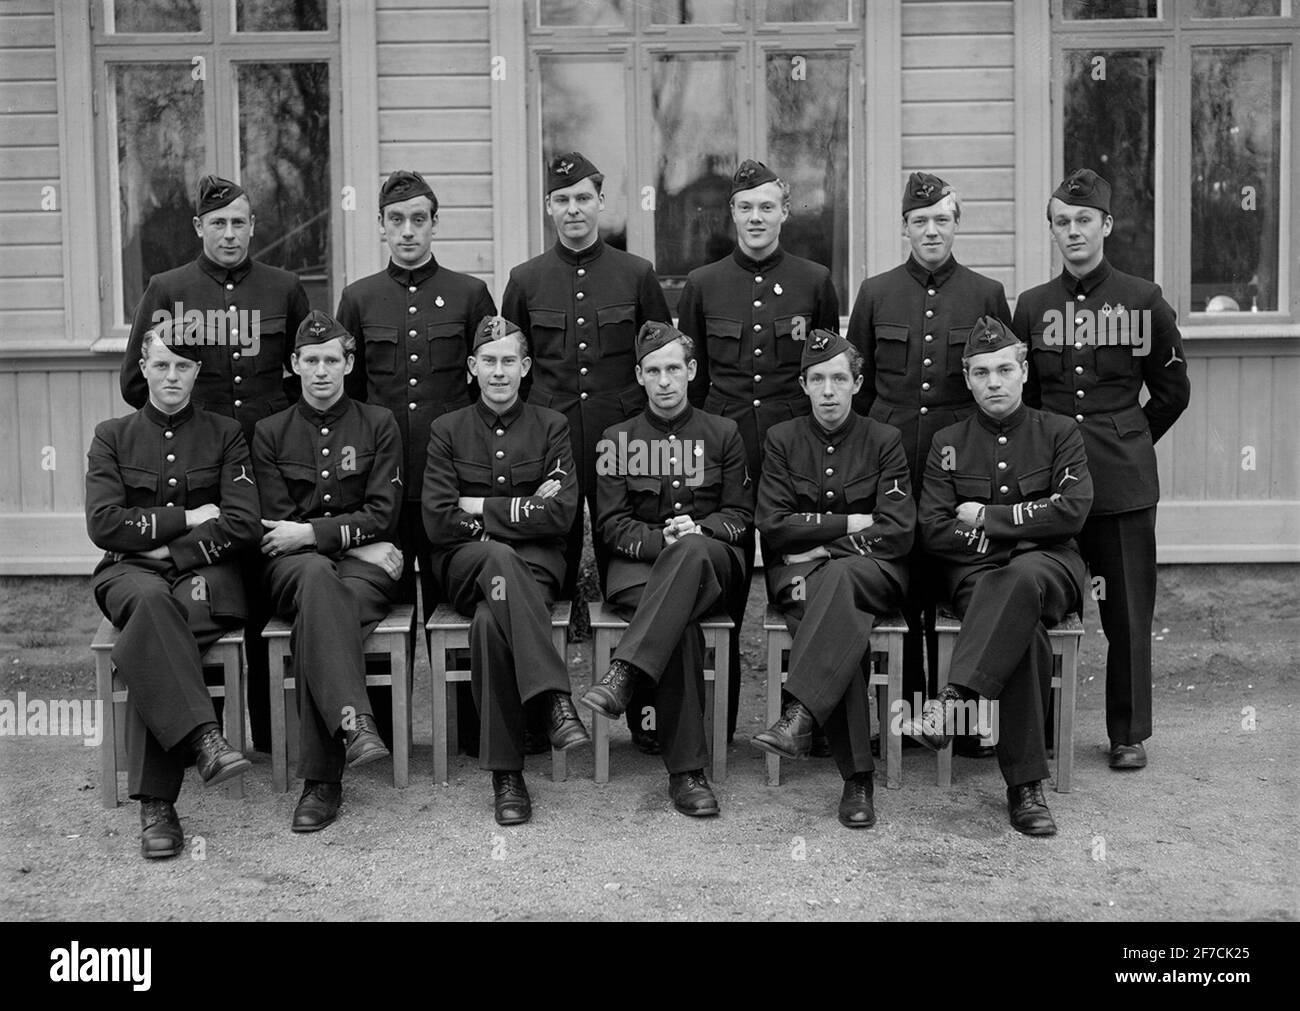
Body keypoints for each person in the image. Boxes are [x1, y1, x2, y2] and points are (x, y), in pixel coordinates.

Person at [120, 173, 311, 754]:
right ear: (199, 227)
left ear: (254, 227)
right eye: (218, 224)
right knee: (211, 591)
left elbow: (303, 374)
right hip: (202, 469)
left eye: (240, 223)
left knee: (263, 589)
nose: (230, 234)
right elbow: (137, 381)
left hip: (271, 463)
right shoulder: (168, 289)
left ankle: (276, 737)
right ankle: (209, 733)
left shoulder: (283, 288)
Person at [1013, 168, 1190, 771]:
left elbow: (1172, 390)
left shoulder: (1142, 299)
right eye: (1062, 222)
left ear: (1106, 224)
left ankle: (1127, 732)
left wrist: (1130, 437)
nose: (1073, 232)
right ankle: (1036, 726)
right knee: (1040, 602)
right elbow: (1026, 395)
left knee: (1126, 612)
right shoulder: (1033, 306)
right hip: (1050, 484)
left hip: (1121, 481)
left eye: (1084, 220)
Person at [500, 151, 671, 755]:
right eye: (561, 200)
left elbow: (660, 356)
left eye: (583, 198)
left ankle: (648, 717)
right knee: (543, 566)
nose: (573, 210)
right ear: (548, 207)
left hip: (624, 437)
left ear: (601, 203)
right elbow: (512, 363)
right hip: (548, 439)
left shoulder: (636, 274)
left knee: (638, 567)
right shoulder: (524, 280)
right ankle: (539, 714)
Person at [909, 316, 1094, 836]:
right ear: (967, 379)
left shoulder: (1059, 432)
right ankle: (1026, 789)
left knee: (1019, 581)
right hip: (977, 575)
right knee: (1021, 625)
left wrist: (990, 519)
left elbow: (1073, 511)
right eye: (982, 372)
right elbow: (932, 527)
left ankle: (954, 700)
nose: (994, 382)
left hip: (1050, 569)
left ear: (1024, 372)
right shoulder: (948, 441)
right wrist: (1028, 526)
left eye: (1004, 370)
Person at [679, 158, 840, 742]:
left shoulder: (815, 281)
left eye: (766, 206)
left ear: (784, 212)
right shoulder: (703, 284)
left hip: (792, 449)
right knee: (717, 586)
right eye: (745, 207)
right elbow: (693, 382)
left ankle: (812, 719)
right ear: (732, 215)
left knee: (802, 579)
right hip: (722, 451)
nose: (756, 217)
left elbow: (825, 367)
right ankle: (711, 726)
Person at [846, 172, 1012, 736]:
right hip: (892, 459)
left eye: (942, 219)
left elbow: (996, 386)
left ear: (957, 224)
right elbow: (860, 390)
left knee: (955, 578)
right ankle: (903, 714)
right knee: (900, 582)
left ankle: (963, 719)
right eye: (920, 221)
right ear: (905, 228)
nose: (932, 230)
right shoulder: (875, 292)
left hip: (957, 460)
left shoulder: (985, 293)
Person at [87, 324, 260, 859]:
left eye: (182, 366)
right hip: (126, 576)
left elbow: (243, 523)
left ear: (197, 372)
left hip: (203, 575)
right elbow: (103, 524)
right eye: (161, 365)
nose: (171, 376)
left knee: (152, 630)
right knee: (152, 607)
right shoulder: (111, 436)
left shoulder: (226, 433)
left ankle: (156, 805)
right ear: (143, 367)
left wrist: (167, 552)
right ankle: (206, 740)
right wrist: (187, 515)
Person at [336, 169, 496, 748]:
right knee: (386, 602)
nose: (408, 231)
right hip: (383, 486)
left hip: (453, 483)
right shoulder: (359, 298)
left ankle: (471, 732)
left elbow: (488, 389)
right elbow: (348, 397)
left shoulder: (469, 294)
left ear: (435, 223)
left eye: (419, 220)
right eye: (396, 220)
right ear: (381, 225)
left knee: (462, 603)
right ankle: (385, 730)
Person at [422, 316, 590, 825]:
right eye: (489, 362)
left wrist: (478, 506)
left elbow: (561, 513)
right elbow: (438, 517)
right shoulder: (446, 430)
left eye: (508, 362)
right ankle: (554, 698)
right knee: (498, 558)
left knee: (490, 624)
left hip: (535, 567)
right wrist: (520, 511)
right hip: (466, 563)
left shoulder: (551, 426)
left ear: (525, 367)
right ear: (473, 368)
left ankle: (506, 775)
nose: (499, 372)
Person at [582, 322, 753, 817]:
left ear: (691, 371)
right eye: (653, 371)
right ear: (639, 376)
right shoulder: (617, 440)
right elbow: (611, 525)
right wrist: (663, 541)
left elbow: (741, 516)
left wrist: (696, 532)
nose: (664, 381)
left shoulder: (724, 433)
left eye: (673, 369)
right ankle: (688, 774)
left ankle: (625, 672)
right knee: (679, 620)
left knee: (694, 550)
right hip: (639, 571)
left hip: (713, 564)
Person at [751, 330, 914, 829]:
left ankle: (799, 712)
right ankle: (857, 779)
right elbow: (773, 525)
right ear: (803, 384)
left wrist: (820, 543)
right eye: (817, 379)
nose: (828, 391)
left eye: (838, 379)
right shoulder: (781, 439)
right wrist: (848, 524)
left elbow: (898, 531)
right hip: (800, 579)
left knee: (838, 581)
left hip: (875, 573)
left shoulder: (884, 440)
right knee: (838, 612)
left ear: (857, 383)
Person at [251, 311, 406, 833]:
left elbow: (385, 512)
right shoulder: (270, 433)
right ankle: (354, 724)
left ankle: (322, 784)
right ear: (295, 364)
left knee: (320, 614)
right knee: (318, 581)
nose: (322, 370)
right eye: (311, 360)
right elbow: (276, 528)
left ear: (349, 363)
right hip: (293, 571)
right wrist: (352, 542)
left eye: (332, 360)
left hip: (360, 578)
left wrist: (315, 534)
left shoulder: (377, 423)